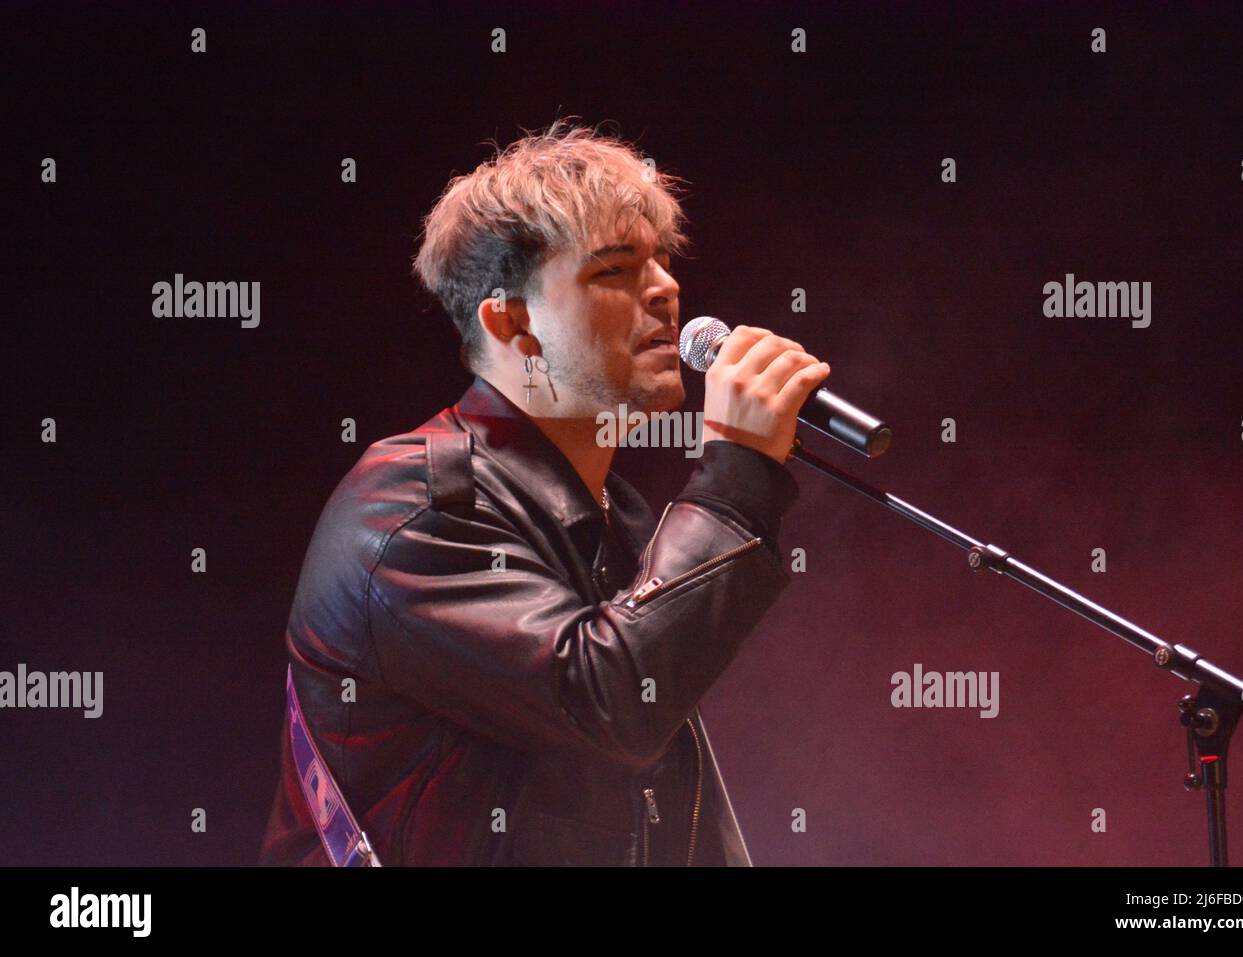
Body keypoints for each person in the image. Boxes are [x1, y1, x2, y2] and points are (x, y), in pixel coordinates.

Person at [258, 119, 830, 866]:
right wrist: (733, 483)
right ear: (512, 323)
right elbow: (611, 697)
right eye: (614, 271)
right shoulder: (410, 505)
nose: (665, 289)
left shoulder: (611, 517)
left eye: (661, 261)